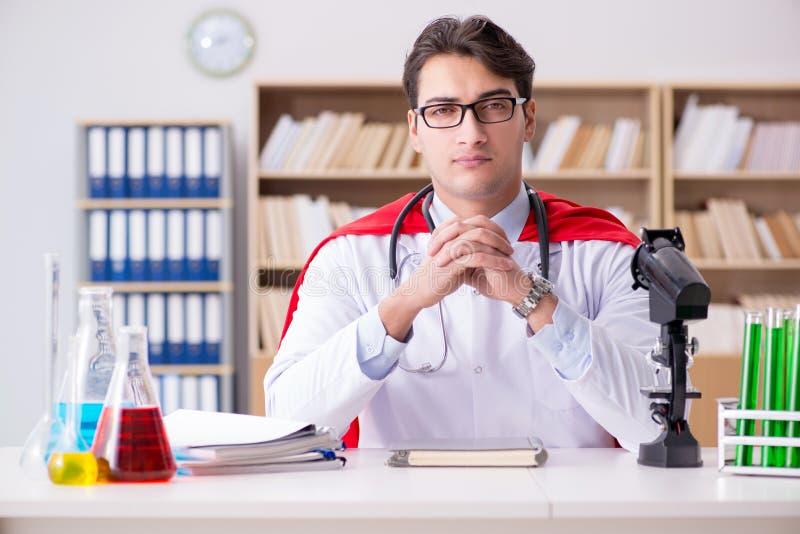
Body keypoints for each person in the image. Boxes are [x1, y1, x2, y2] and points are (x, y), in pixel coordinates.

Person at [264, 15, 667, 452]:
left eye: (493, 107)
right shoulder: (351, 255)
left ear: (528, 119)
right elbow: (287, 422)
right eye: (443, 111)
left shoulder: (609, 255)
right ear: (415, 130)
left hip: (558, 519)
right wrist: (403, 304)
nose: (470, 134)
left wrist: (531, 298)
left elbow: (656, 428)